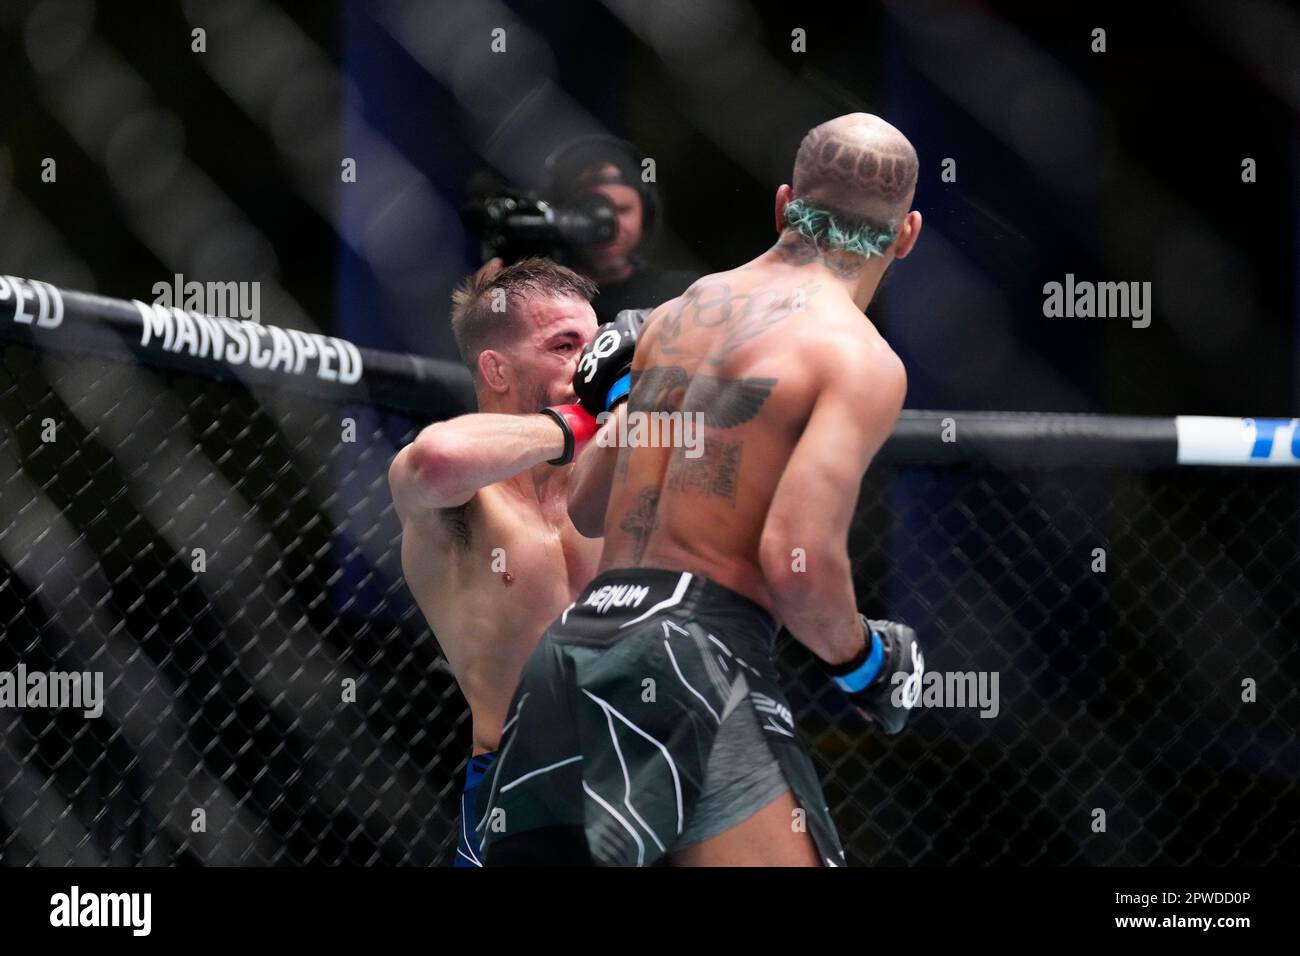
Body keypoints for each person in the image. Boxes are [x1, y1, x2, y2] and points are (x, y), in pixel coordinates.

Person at [478, 113, 926, 867]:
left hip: (577, 646)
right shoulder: (858, 356)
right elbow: (798, 560)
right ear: (906, 234)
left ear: (784, 204)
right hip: (694, 653)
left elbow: (587, 506)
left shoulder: (676, 316)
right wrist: (868, 660)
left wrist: (622, 400)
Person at [387, 257, 607, 866]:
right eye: (565, 346)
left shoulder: (614, 476)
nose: (592, 365)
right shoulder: (457, 507)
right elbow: (437, 459)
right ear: (496, 367)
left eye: (599, 344)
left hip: (645, 769)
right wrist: (584, 420)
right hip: (521, 789)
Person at [545, 135, 699, 322]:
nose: (608, 225)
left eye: (622, 210)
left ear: (646, 214)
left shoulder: (685, 293)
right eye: (592, 212)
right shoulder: (535, 300)